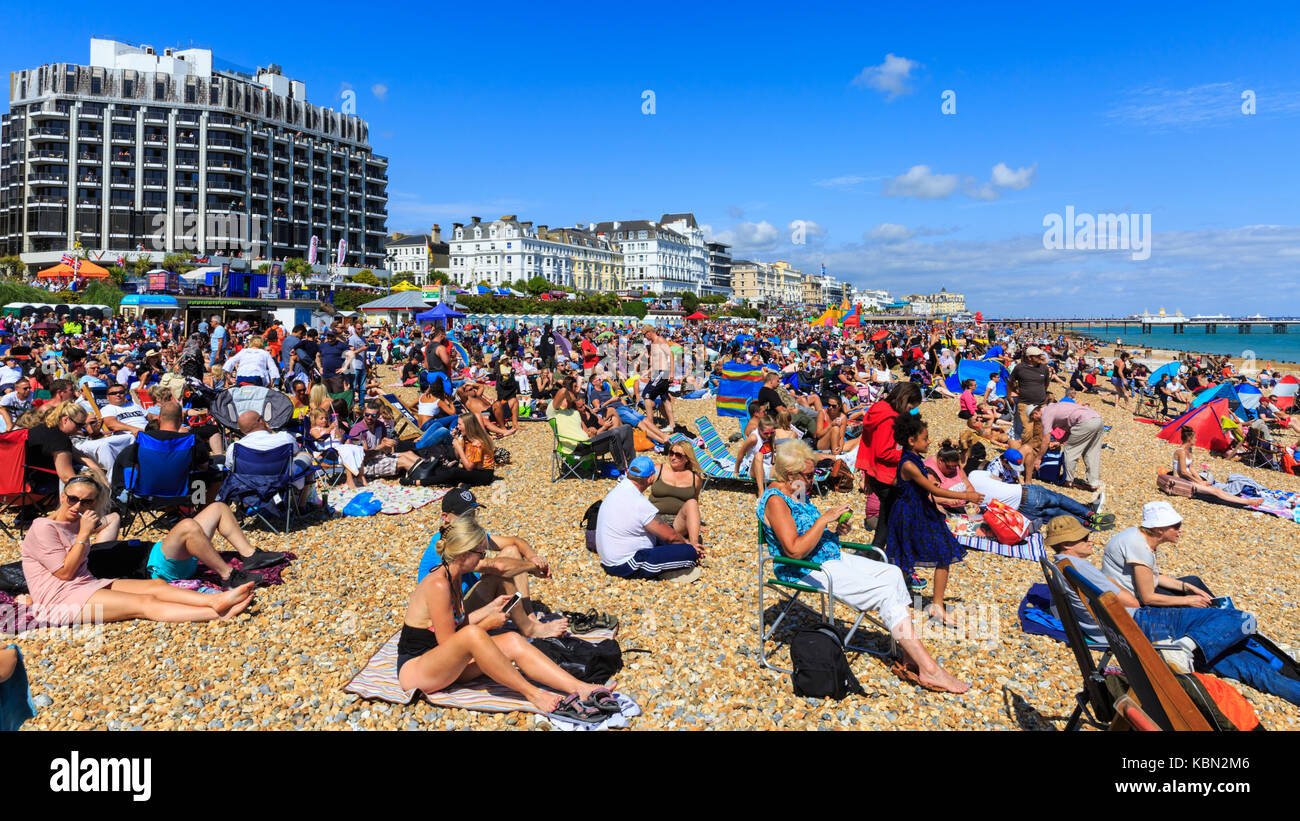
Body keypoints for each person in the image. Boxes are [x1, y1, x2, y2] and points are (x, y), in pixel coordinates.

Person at [759, 439, 968, 694]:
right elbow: (794, 549)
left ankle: (908, 652)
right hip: (803, 569)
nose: (813, 479)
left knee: (891, 573)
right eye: (809, 474)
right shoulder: (776, 501)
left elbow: (809, 529)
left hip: (827, 557)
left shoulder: (797, 487)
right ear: (789, 474)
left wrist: (835, 530)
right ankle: (929, 668)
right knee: (882, 590)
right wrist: (824, 519)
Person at [1047, 514, 1300, 708]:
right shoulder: (1079, 567)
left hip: (1120, 632)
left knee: (1243, 664)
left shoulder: (1060, 569)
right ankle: (1185, 648)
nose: (1091, 539)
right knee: (1244, 619)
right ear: (1068, 544)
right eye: (1084, 537)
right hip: (1143, 624)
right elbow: (1134, 603)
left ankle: (1193, 647)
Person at [395, 516, 614, 718]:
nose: (483, 559)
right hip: (417, 670)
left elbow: (457, 624)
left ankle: (580, 687)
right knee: (474, 634)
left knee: (513, 641)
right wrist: (485, 625)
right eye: (481, 554)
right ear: (464, 555)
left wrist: (489, 608)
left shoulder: (454, 575)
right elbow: (448, 643)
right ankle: (534, 694)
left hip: (446, 666)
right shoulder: (439, 584)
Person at [20, 475, 255, 625]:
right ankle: (217, 613)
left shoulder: (75, 523)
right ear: (63, 497)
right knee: (144, 603)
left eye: (87, 502)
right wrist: (83, 534)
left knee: (157, 585)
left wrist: (85, 530)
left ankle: (215, 600)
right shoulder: (43, 527)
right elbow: (64, 573)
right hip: (60, 601)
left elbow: (110, 522)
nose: (78, 506)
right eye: (73, 499)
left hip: (84, 584)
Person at [414, 487, 567, 639]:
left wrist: (533, 557)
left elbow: (515, 541)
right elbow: (499, 568)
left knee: (512, 551)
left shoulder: (467, 536)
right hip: (451, 612)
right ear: (446, 517)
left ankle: (529, 617)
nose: (471, 519)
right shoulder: (445, 544)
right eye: (465, 516)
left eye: (473, 514)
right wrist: (532, 567)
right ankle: (528, 627)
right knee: (501, 573)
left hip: (463, 604)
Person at [887, 412, 979, 627]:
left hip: (920, 510)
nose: (929, 441)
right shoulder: (909, 464)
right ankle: (900, 602)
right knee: (906, 558)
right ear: (912, 441)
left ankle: (936, 604)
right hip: (911, 514)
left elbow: (900, 481)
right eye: (925, 438)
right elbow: (931, 490)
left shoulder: (913, 460)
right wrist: (968, 496)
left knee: (942, 553)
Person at [594, 455, 704, 581]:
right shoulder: (639, 503)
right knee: (690, 553)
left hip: (610, 558)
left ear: (628, 472)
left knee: (669, 540)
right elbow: (671, 537)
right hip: (626, 565)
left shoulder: (618, 490)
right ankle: (669, 570)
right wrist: (689, 547)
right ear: (650, 478)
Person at [856, 382, 921, 547]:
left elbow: (915, 413)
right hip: (885, 476)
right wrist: (908, 454)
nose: (912, 410)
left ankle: (880, 552)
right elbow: (883, 452)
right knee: (888, 521)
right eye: (911, 406)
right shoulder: (889, 419)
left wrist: (914, 412)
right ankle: (878, 554)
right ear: (905, 400)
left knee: (888, 518)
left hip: (874, 471)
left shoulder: (879, 408)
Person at [1171, 426, 1263, 508]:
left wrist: (1201, 481)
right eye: (1194, 438)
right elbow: (1183, 471)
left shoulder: (1188, 449)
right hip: (1181, 481)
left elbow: (1191, 467)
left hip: (1189, 479)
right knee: (1216, 492)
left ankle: (1248, 501)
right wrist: (1198, 482)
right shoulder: (1181, 452)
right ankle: (1248, 502)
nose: (1196, 439)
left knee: (1217, 489)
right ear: (1189, 439)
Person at [1039, 401, 1104, 492]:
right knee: (1092, 452)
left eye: (1032, 418)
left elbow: (1046, 439)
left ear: (1036, 412)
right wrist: (1059, 441)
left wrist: (1038, 458)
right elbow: (1069, 429)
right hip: (1098, 420)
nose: (1034, 421)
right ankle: (1092, 484)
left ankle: (1068, 480)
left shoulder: (1046, 414)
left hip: (1085, 422)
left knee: (1070, 450)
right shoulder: (1059, 407)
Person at [648, 441, 704, 545]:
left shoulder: (695, 478)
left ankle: (694, 545)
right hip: (655, 519)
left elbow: (694, 501)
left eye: (678, 455)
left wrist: (695, 524)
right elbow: (639, 488)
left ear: (687, 458)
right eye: (671, 453)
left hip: (678, 522)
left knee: (692, 503)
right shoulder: (657, 470)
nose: (673, 457)